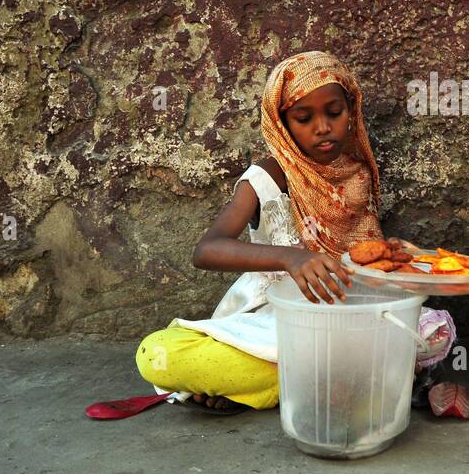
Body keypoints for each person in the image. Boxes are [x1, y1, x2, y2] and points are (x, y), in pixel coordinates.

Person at [134, 50, 451, 413]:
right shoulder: (266, 178)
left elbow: (365, 258)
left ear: (352, 109)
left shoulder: (358, 173)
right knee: (158, 353)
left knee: (433, 332)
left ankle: (271, 385)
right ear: (282, 122)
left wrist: (401, 257)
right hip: (276, 320)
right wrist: (290, 257)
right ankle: (321, 381)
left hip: (347, 315)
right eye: (303, 117)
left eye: (335, 113)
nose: (322, 127)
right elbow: (206, 250)